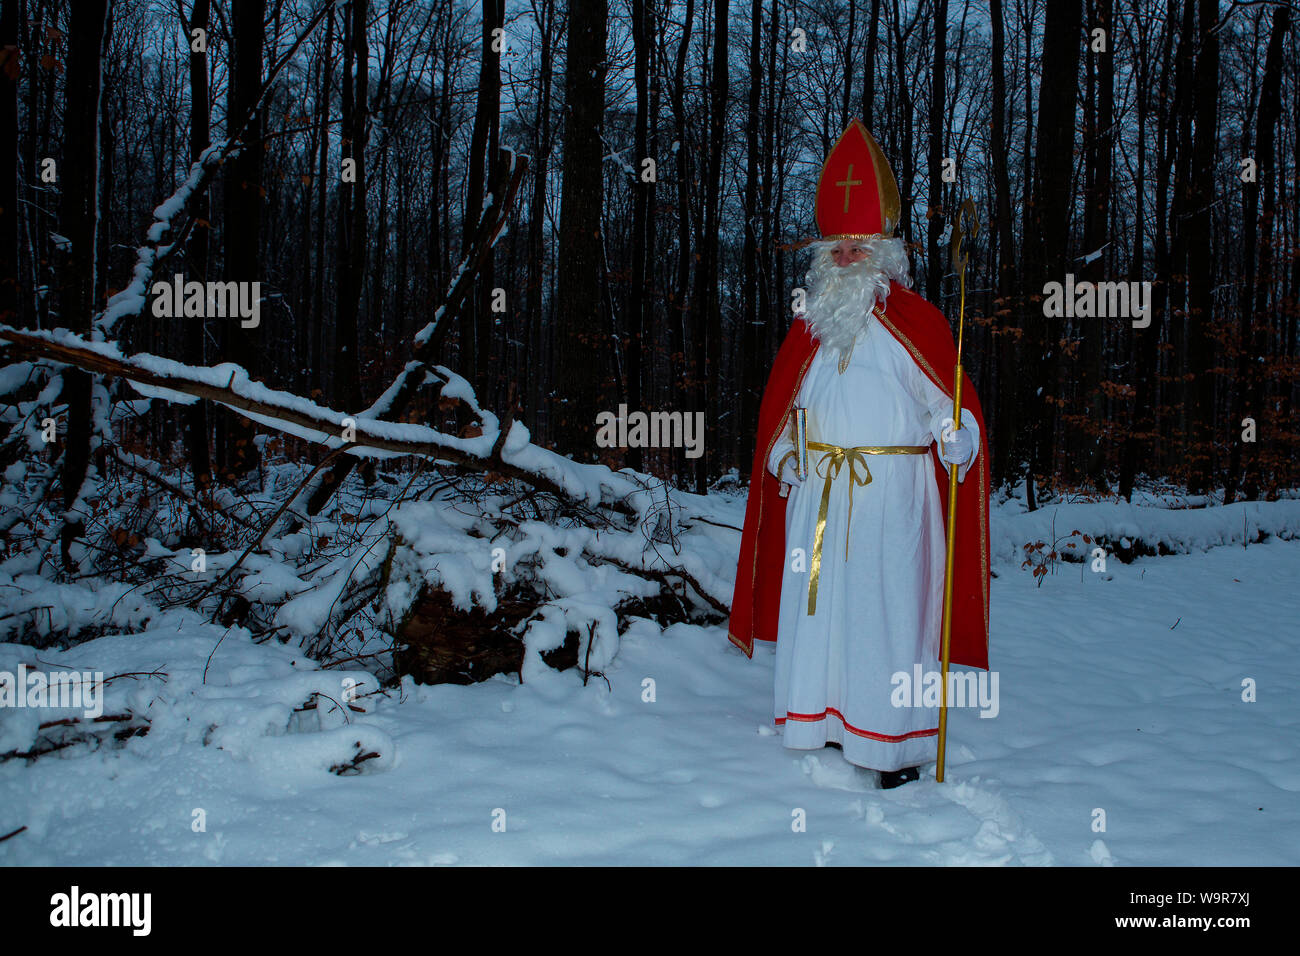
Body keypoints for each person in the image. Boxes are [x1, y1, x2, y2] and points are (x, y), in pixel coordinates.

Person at [728, 119, 991, 788]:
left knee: (885, 615)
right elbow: (785, 417)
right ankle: (823, 724)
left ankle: (889, 745)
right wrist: (788, 458)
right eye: (837, 247)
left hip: (891, 498)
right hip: (822, 496)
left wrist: (959, 435)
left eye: (858, 246)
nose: (846, 256)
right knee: (822, 610)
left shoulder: (918, 324)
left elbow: (947, 407)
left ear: (884, 252)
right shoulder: (809, 331)